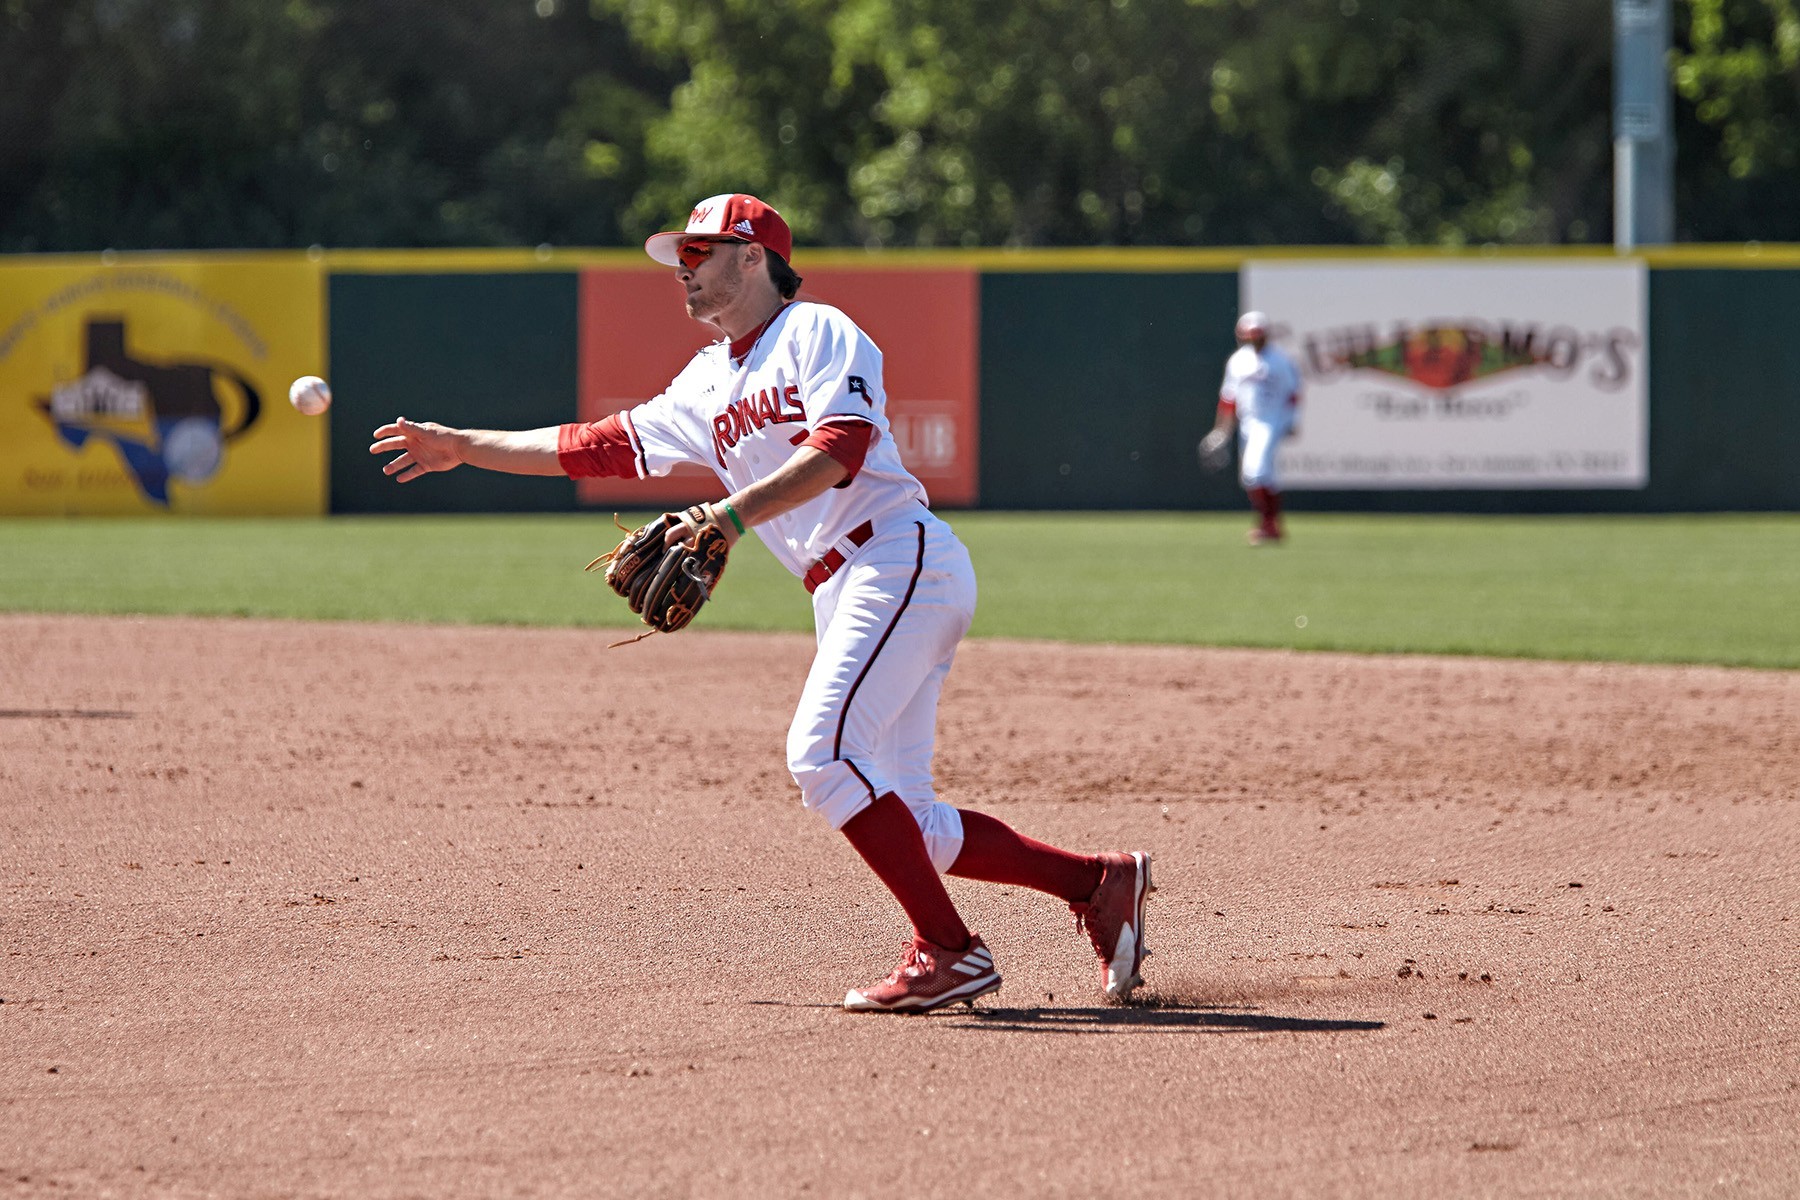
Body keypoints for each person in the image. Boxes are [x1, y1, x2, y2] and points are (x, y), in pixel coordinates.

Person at [369, 193, 1153, 1014]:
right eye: (681, 257)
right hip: (844, 584)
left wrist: (731, 517)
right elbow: (592, 447)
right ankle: (1098, 883)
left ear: (754, 256)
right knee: (907, 818)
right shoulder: (706, 380)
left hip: (895, 558)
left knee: (820, 757)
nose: (685, 269)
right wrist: (461, 446)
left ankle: (949, 951)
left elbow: (841, 449)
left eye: (701, 252)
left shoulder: (816, 331)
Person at [1208, 310, 1303, 545]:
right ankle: (1271, 525)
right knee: (1259, 476)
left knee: (1255, 470)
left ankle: (1268, 525)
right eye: (1248, 336)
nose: (1253, 340)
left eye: (1257, 336)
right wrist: (1221, 430)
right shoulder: (1238, 360)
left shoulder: (1279, 360)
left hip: (1271, 420)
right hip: (1247, 421)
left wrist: (1292, 420)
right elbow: (1228, 399)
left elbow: (1293, 395)